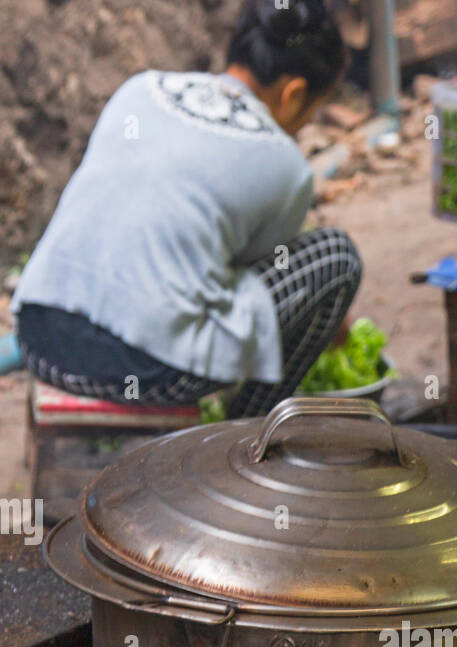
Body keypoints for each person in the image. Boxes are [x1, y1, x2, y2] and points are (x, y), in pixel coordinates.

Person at [13, 0, 361, 418]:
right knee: (337, 258)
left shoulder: (140, 88)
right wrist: (329, 318)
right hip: (146, 373)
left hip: (38, 342)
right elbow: (254, 274)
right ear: (294, 94)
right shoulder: (285, 165)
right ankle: (247, 436)